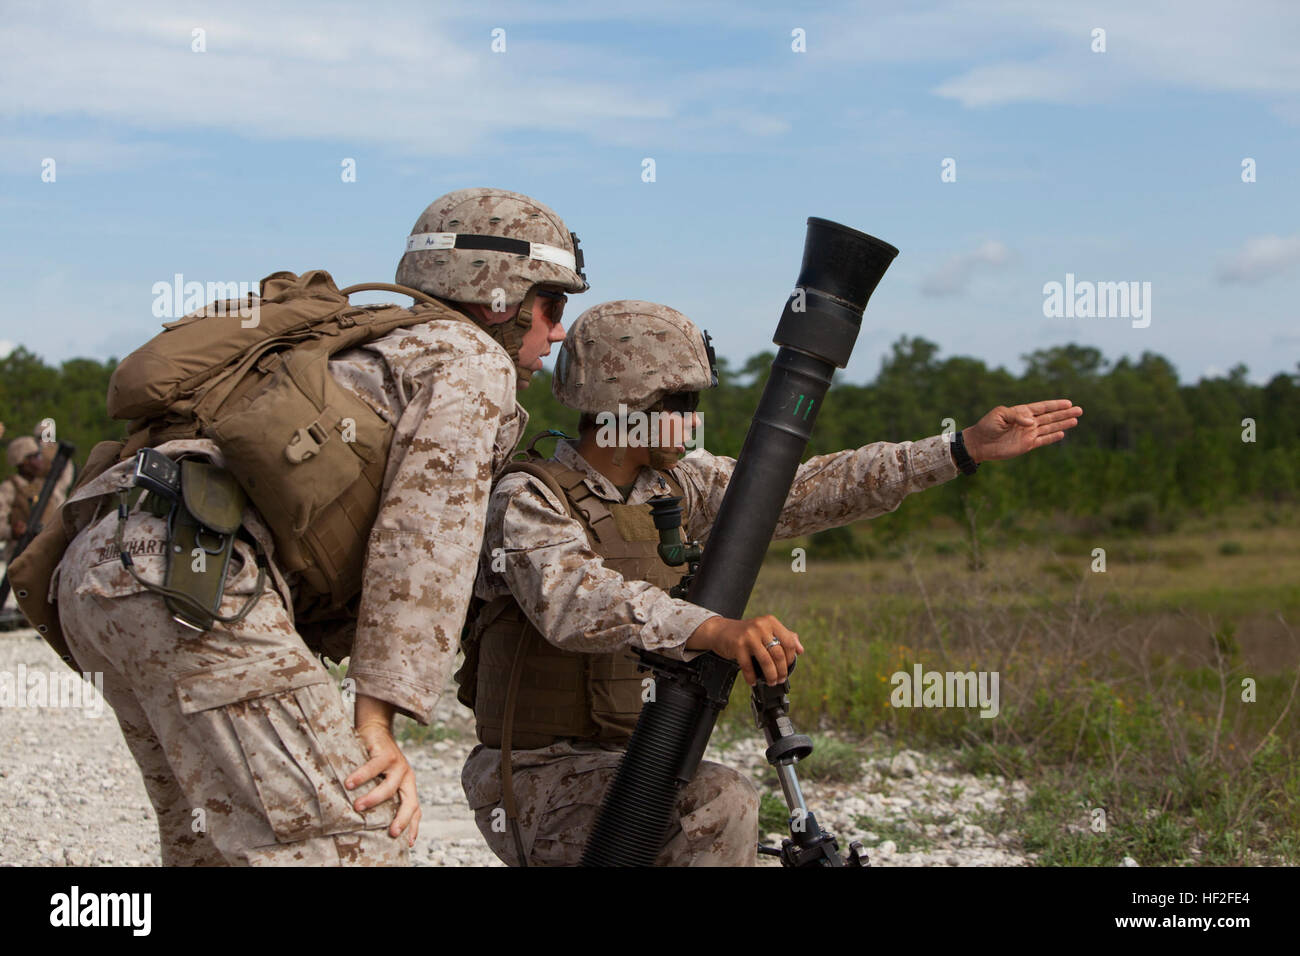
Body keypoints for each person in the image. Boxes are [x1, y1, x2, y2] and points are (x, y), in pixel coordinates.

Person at [53, 187, 588, 865]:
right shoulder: (471, 361)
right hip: (194, 578)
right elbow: (422, 541)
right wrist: (377, 720)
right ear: (500, 297)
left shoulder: (373, 339)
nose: (558, 331)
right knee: (354, 836)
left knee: (214, 845)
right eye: (553, 305)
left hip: (112, 560)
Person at [458, 299, 1083, 866]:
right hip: (532, 777)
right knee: (720, 802)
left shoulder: (675, 484)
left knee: (715, 813)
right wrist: (713, 629)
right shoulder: (527, 496)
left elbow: (802, 490)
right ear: (631, 410)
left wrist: (958, 450)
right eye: (683, 407)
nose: (694, 425)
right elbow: (575, 601)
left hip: (629, 758)